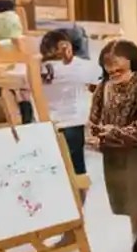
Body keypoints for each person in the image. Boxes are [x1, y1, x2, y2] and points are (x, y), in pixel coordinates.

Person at [89, 39, 137, 237]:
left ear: (131, 63)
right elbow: (94, 121)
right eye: (109, 71)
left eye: (119, 70)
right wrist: (95, 136)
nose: (114, 74)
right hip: (112, 156)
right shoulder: (104, 86)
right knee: (126, 208)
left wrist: (115, 132)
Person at [39, 29, 103, 185]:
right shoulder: (79, 66)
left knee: (53, 173)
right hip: (73, 125)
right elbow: (100, 76)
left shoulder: (38, 68)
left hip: (46, 125)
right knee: (76, 173)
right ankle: (78, 205)